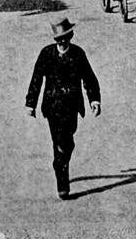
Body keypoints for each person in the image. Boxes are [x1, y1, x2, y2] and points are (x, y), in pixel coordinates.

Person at [25, 17, 101, 200]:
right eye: (59, 39)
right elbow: (37, 78)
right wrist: (30, 103)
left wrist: (94, 101)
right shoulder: (46, 54)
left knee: (68, 141)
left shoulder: (78, 54)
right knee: (60, 142)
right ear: (55, 40)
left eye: (65, 38)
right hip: (52, 107)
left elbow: (89, 78)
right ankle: (62, 184)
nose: (62, 41)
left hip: (72, 106)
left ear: (70, 36)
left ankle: (58, 163)